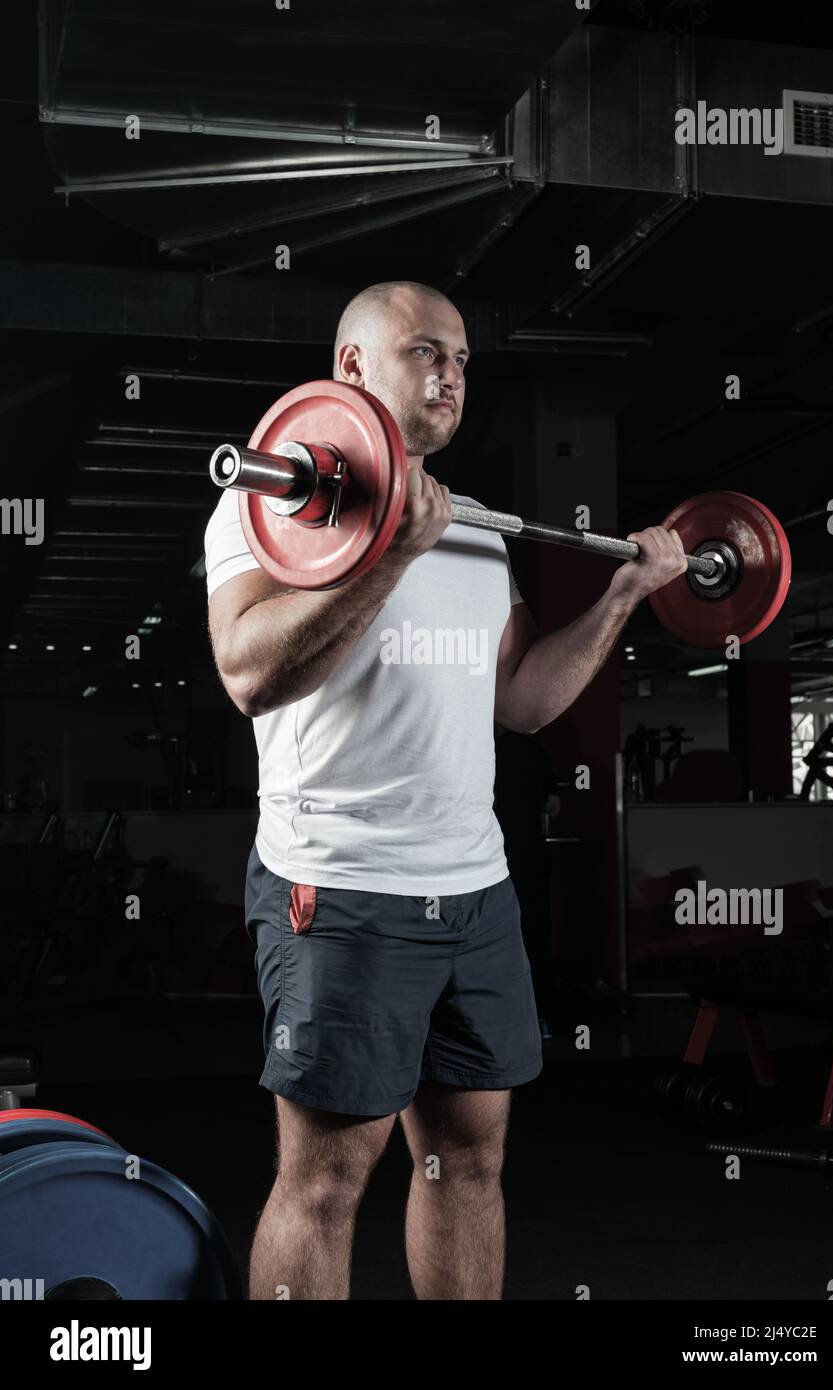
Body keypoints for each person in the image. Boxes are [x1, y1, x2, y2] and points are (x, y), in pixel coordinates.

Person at [204, 281, 686, 1300]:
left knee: (468, 1163)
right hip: (337, 886)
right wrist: (388, 557)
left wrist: (623, 596)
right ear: (350, 371)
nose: (451, 375)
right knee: (326, 1180)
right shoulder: (270, 499)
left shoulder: (472, 522)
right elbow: (248, 673)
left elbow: (520, 700)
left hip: (472, 890)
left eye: (462, 358)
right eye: (425, 351)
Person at [493, 728, 560, 1038]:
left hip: (486, 862)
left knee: (487, 943)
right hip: (528, 856)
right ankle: (539, 1017)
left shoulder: (472, 744)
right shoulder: (532, 750)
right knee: (533, 936)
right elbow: (552, 806)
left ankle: (497, 1022)